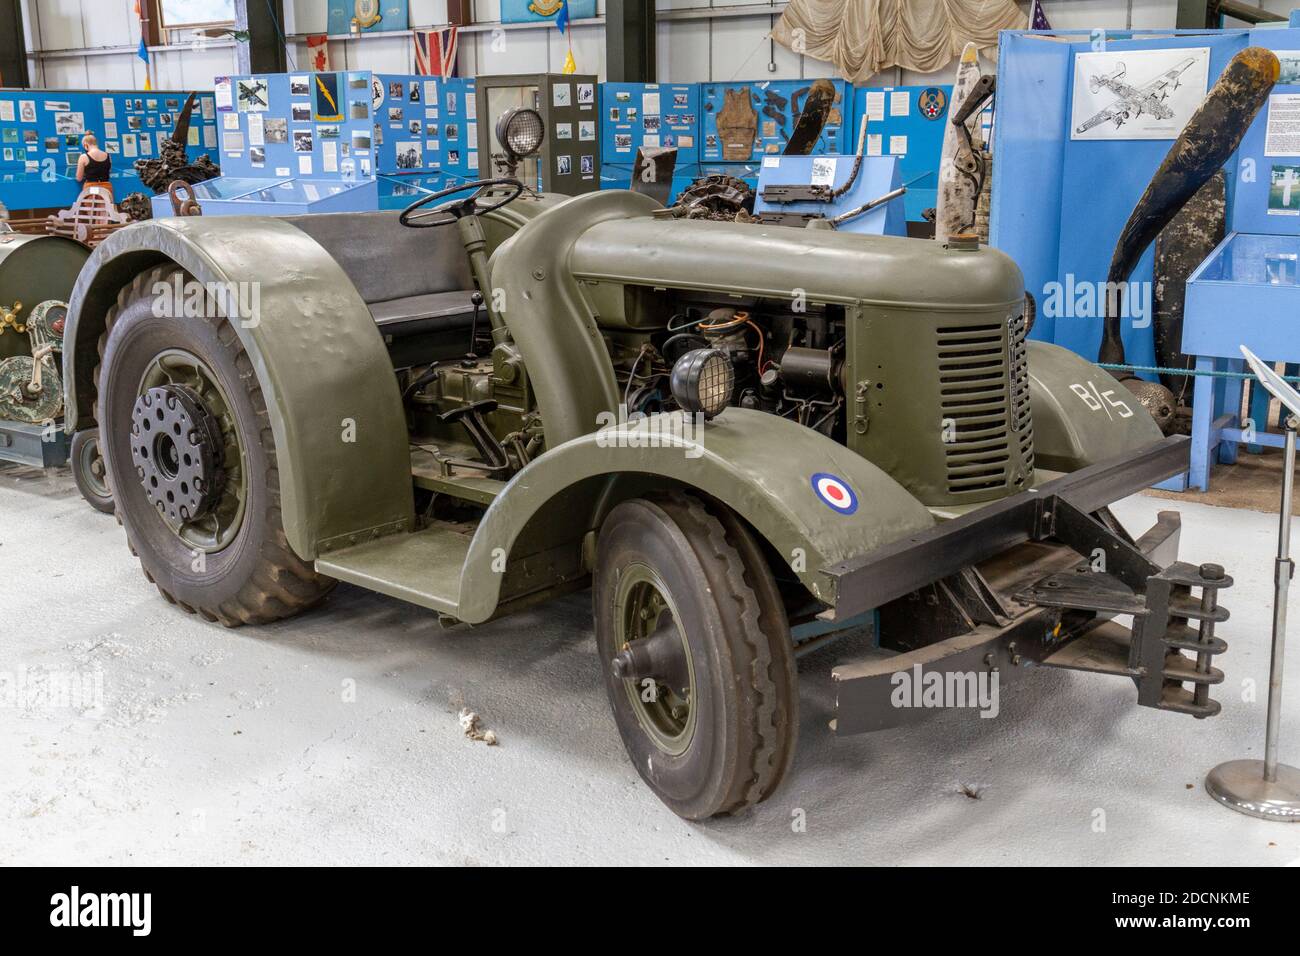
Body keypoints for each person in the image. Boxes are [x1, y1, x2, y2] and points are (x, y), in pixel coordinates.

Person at [76, 133, 113, 198]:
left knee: (90, 208)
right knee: (106, 207)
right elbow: (109, 171)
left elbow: (79, 178)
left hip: (90, 189)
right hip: (106, 188)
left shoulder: (83, 157)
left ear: (85, 145)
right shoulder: (108, 155)